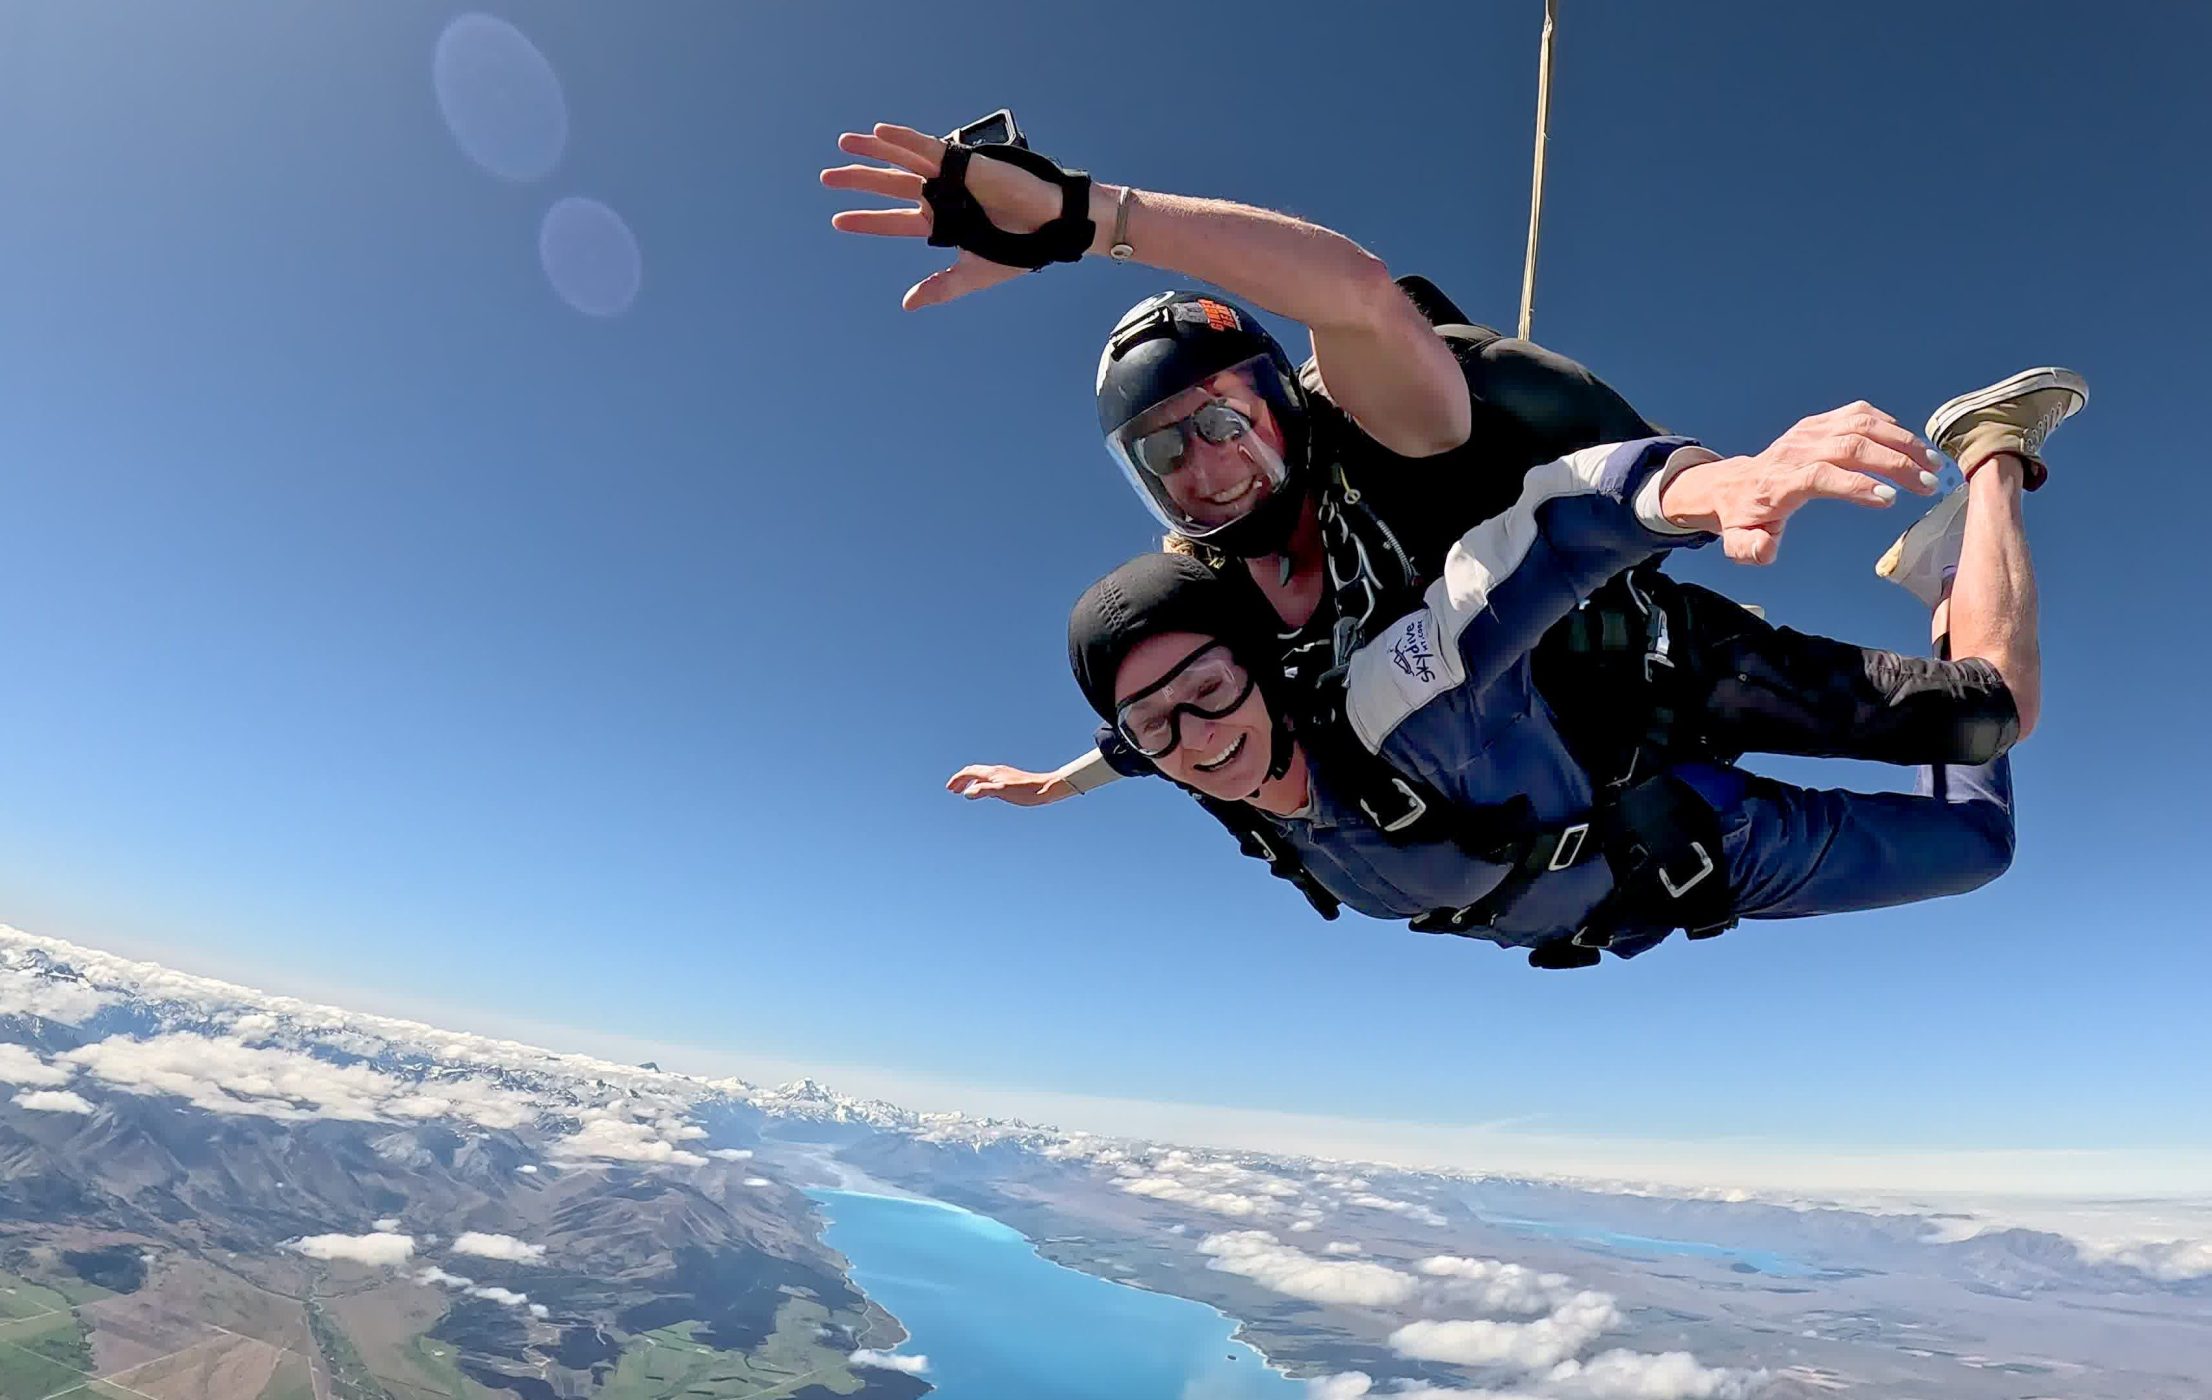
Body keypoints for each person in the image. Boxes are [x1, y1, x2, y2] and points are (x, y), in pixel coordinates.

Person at [818, 121, 1789, 802]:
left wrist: (1095, 218)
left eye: (1228, 418)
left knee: (1946, 754)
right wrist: (1058, 781)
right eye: (1161, 448)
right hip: (1601, 783)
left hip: (1679, 675)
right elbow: (1173, 716)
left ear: (1287, 405)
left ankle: (1954, 496)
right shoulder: (1224, 590)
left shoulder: (1388, 445)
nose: (1205, 461)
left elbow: (1357, 299)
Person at [1066, 370, 2081, 966]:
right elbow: (1136, 740)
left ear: (1262, 669)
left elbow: (1554, 530)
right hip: (1673, 864)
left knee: (1997, 713)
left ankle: (1986, 457)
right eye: (1157, 731)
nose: (1195, 740)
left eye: (1204, 696)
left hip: (1663, 707)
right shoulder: (1202, 769)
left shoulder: (1397, 701)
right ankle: (1958, 581)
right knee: (1976, 845)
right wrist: (1056, 780)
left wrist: (1717, 485)